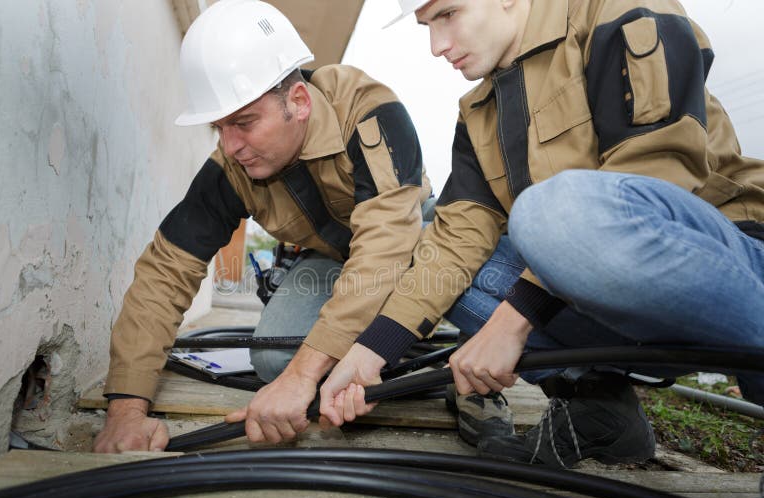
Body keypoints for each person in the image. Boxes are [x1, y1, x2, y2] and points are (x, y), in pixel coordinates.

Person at [319, 0, 764, 468]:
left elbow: (655, 176)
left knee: (549, 211)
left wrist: (511, 323)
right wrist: (370, 355)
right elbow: (455, 242)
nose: (437, 47)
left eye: (448, 14)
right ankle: (599, 409)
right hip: (624, 298)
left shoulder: (618, 11)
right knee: (436, 256)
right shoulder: (478, 110)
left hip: (731, 264)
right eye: (427, 26)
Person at [93, 0, 433, 453]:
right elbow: (164, 271)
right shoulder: (232, 166)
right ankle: (380, 342)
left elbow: (384, 251)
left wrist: (303, 378)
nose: (231, 146)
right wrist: (126, 412)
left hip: (415, 242)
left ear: (298, 101)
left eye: (244, 123)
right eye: (219, 127)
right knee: (274, 357)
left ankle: (404, 335)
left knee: (463, 283)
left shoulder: (369, 112)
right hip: (335, 262)